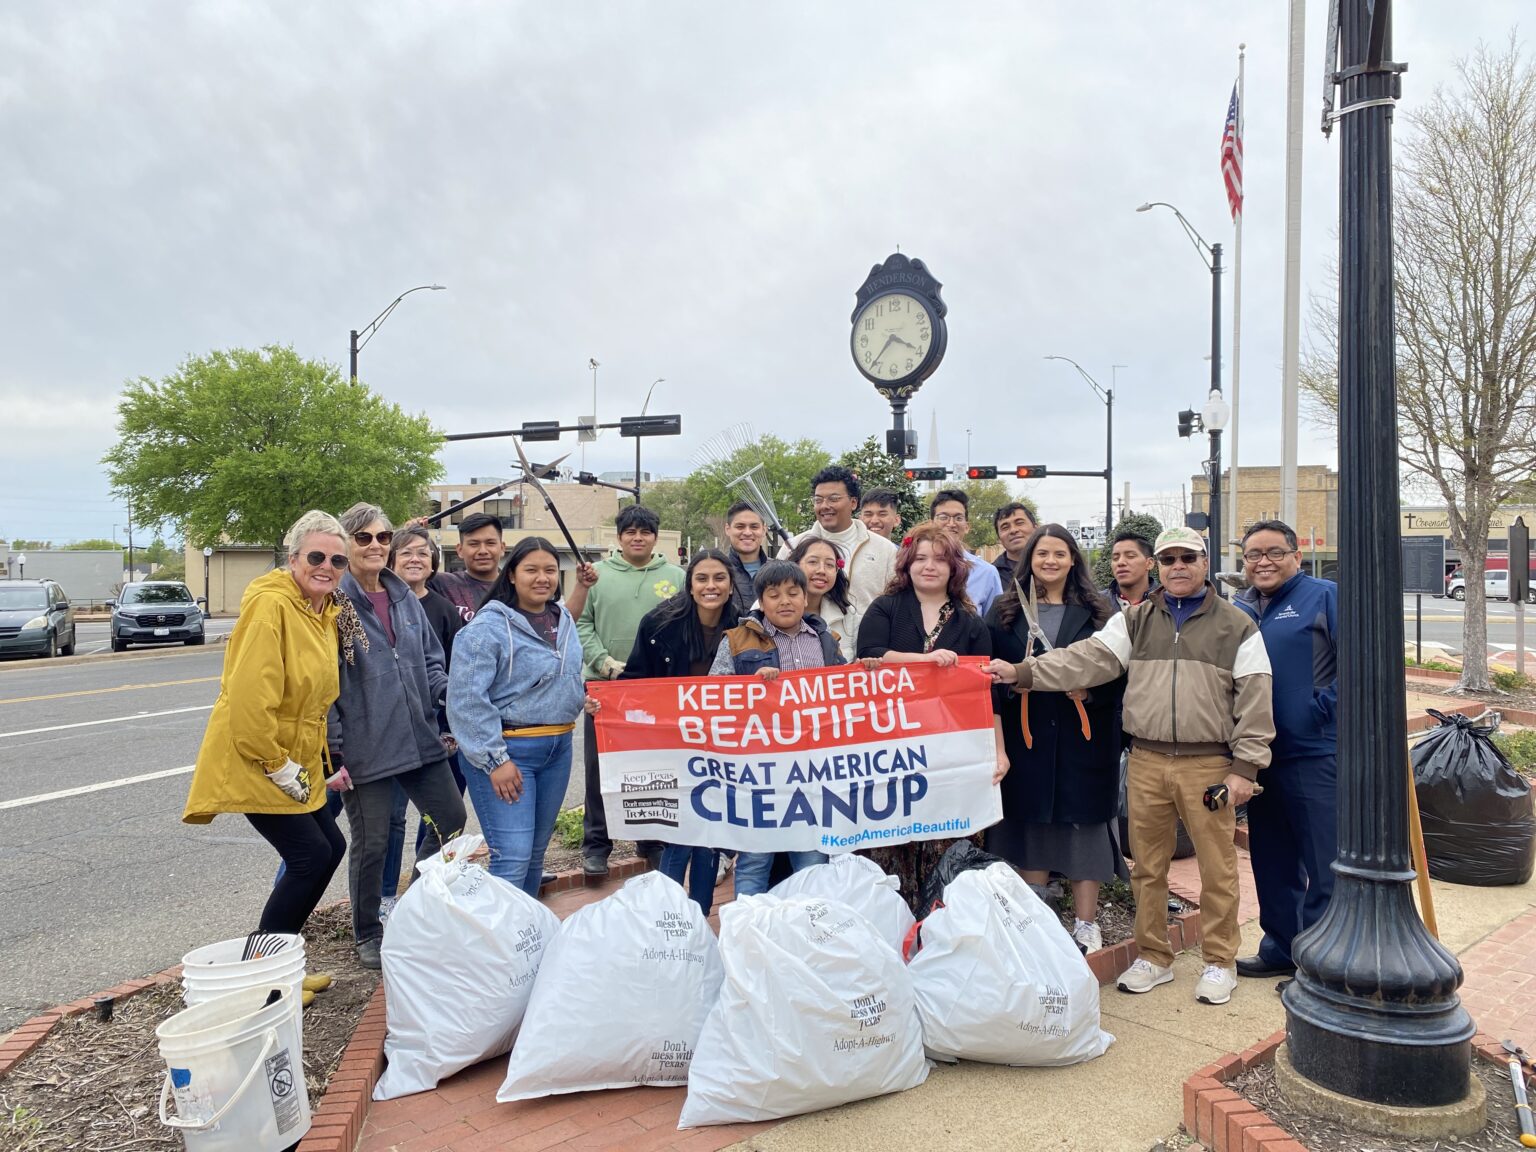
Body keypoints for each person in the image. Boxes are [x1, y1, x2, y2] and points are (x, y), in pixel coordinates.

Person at [987, 527, 1274, 1006]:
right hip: (1146, 758)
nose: (1177, 566)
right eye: (1168, 559)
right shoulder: (1135, 620)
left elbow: (1257, 698)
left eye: (1187, 557)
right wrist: (1024, 673)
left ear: (1205, 563)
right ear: (1157, 567)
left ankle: (1220, 961)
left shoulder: (1237, 625)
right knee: (1148, 867)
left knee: (1217, 867)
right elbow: (1087, 660)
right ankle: (1155, 956)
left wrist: (1245, 768)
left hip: (1208, 762)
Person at [183, 511, 350, 939]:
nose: (326, 568)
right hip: (259, 754)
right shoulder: (270, 606)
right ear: (293, 559)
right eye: (316, 556)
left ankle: (282, 958)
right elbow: (249, 699)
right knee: (309, 856)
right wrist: (275, 763)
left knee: (330, 848)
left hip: (300, 760)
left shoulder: (324, 612)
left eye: (337, 561)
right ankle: (265, 971)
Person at [330, 503, 467, 969]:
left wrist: (451, 697)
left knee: (449, 817)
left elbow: (430, 659)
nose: (375, 546)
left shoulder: (404, 598)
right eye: (364, 538)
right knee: (371, 842)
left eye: (382, 538)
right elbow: (325, 682)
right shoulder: (336, 603)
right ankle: (367, 931)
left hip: (420, 735)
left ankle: (414, 905)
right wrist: (333, 747)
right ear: (347, 544)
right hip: (365, 745)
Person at [985, 525, 1126, 954]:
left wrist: (1093, 692)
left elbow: (1121, 668)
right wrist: (1012, 687)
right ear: (1029, 559)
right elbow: (989, 673)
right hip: (1026, 733)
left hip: (1083, 732)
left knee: (1084, 827)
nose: (1050, 561)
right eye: (1042, 553)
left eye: (1059, 554)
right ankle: (1039, 924)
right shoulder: (1003, 610)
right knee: (1033, 827)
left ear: (1073, 560)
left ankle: (1086, 923)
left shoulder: (1101, 610)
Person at [856, 522, 1001, 908]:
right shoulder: (886, 607)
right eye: (920, 558)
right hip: (890, 746)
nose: (929, 566)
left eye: (939, 559)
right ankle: (894, 921)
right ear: (906, 565)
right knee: (891, 841)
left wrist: (998, 751)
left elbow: (989, 693)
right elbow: (870, 656)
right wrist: (925, 662)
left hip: (950, 749)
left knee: (947, 841)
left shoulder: (969, 621)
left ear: (954, 567)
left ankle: (944, 922)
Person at [448, 537, 588, 896]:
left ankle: (526, 939)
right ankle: (498, 948)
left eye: (550, 570)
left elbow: (563, 675)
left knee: (535, 856)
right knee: (512, 856)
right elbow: (465, 700)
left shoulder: (563, 620)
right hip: (510, 753)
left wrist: (582, 696)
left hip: (558, 748)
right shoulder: (486, 629)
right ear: (511, 575)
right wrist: (495, 760)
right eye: (531, 570)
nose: (542, 578)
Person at [1232, 520, 1338, 979]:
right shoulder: (1242, 609)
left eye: (1274, 552)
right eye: (1254, 554)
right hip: (1260, 759)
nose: (1263, 562)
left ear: (1297, 555)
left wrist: (1321, 709)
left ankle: (1318, 963)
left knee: (1324, 863)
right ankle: (1280, 946)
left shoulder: (1324, 596)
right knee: (1272, 860)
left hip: (1313, 752)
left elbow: (1359, 664)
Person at [709, 559, 842, 894]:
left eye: (793, 593)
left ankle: (810, 931)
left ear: (805, 596)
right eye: (774, 594)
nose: (785, 601)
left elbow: (843, 696)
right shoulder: (738, 640)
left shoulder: (826, 640)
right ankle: (748, 936)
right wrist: (751, 689)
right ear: (761, 602)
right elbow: (715, 698)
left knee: (812, 860)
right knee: (755, 860)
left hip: (813, 771)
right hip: (758, 771)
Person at [619, 549, 740, 912]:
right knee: (680, 830)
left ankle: (699, 914)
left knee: (711, 830)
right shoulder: (659, 624)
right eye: (701, 579)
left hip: (722, 746)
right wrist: (607, 703)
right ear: (689, 585)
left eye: (719, 578)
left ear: (732, 585)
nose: (711, 586)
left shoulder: (746, 627)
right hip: (672, 744)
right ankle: (670, 913)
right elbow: (635, 679)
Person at [575, 505, 685, 876]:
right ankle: (596, 845)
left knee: (654, 769)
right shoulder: (596, 576)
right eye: (630, 531)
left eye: (645, 531)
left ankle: (651, 840)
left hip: (655, 691)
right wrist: (604, 662)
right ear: (619, 537)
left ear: (656, 536)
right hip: (605, 689)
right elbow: (581, 624)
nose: (638, 537)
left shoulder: (677, 577)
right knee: (599, 769)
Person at [377, 527, 466, 914]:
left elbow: (445, 669)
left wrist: (450, 724)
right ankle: (383, 898)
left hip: (430, 732)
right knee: (389, 820)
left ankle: (417, 897)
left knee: (441, 817)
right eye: (406, 552)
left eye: (424, 553)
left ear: (434, 563)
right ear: (391, 561)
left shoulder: (443, 611)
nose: (416, 559)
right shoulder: (374, 602)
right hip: (381, 734)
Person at [778, 464, 896, 612]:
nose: (825, 506)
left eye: (833, 499)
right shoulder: (794, 546)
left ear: (853, 503)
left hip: (868, 634)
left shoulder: (884, 549)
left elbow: (896, 602)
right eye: (818, 500)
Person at [930, 488, 1003, 617]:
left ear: (967, 526)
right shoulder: (916, 568)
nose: (951, 524)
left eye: (958, 518)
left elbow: (995, 625)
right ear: (931, 524)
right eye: (943, 517)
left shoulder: (986, 573)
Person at [789, 535, 860, 661]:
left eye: (829, 565)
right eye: (813, 562)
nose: (822, 570)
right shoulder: (768, 608)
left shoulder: (848, 616)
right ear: (795, 565)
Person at [429, 511, 505, 622]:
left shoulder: (517, 589)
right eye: (474, 544)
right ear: (460, 550)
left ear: (502, 548)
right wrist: (411, 535)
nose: (483, 551)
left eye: (490, 543)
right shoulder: (441, 584)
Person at [722, 500, 769, 614]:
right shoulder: (718, 572)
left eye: (754, 527)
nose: (747, 532)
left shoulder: (779, 571)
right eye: (740, 526)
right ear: (728, 529)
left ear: (764, 530)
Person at [1106, 529, 1158, 610]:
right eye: (1115, 558)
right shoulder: (1096, 604)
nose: (1120, 562)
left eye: (1130, 556)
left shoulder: (1166, 603)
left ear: (1150, 563)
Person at [992, 502, 1038, 586]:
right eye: (1005, 527)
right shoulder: (991, 575)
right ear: (999, 538)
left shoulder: (1051, 567)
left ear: (1036, 528)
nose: (1013, 530)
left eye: (1019, 523)